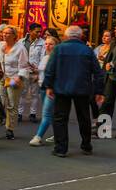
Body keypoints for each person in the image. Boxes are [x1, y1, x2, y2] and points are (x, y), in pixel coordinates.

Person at [42, 24, 105, 158]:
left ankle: (61, 148)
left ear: (66, 36)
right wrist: (99, 91)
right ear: (81, 36)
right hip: (82, 89)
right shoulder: (87, 50)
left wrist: (49, 86)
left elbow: (50, 69)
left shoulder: (59, 49)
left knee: (60, 118)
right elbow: (98, 72)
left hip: (61, 88)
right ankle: (86, 145)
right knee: (84, 118)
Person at [0, 25, 28, 139]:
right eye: (3, 33)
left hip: (13, 79)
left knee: (11, 104)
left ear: (14, 36)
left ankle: (10, 129)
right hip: (0, 79)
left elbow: (24, 66)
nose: (4, 35)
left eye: (7, 33)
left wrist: (20, 77)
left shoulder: (20, 48)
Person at [28, 29, 60, 146]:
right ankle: (58, 135)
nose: (47, 46)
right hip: (42, 87)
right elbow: (43, 71)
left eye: (51, 44)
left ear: (56, 45)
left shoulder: (57, 58)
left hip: (50, 89)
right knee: (51, 114)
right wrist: (36, 72)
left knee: (46, 114)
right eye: (46, 44)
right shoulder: (46, 57)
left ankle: (38, 137)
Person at [18, 24, 46, 123]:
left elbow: (43, 57)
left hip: (35, 71)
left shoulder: (43, 43)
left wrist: (38, 71)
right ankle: (19, 114)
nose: (39, 34)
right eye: (36, 31)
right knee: (22, 93)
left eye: (40, 32)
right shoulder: (21, 42)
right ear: (29, 31)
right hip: (24, 71)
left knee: (35, 94)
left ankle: (32, 114)